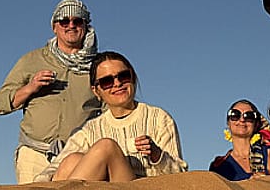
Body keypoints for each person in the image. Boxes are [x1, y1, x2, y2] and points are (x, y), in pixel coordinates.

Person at [0, 0, 103, 183]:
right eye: (64, 21)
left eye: (77, 21)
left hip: (79, 156)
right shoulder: (32, 60)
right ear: (54, 27)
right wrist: (31, 87)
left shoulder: (99, 66)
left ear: (85, 26)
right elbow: (1, 104)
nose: (71, 25)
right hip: (34, 154)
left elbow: (110, 109)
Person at [37, 51, 187, 182]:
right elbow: (57, 165)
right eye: (107, 81)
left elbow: (180, 176)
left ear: (133, 77)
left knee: (106, 147)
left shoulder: (158, 118)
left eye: (123, 76)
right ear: (96, 91)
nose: (117, 84)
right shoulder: (92, 129)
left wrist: (156, 155)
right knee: (71, 161)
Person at [208, 100, 270, 181]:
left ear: (256, 124)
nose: (242, 120)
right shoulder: (219, 166)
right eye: (235, 115)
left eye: (249, 116)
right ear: (228, 123)